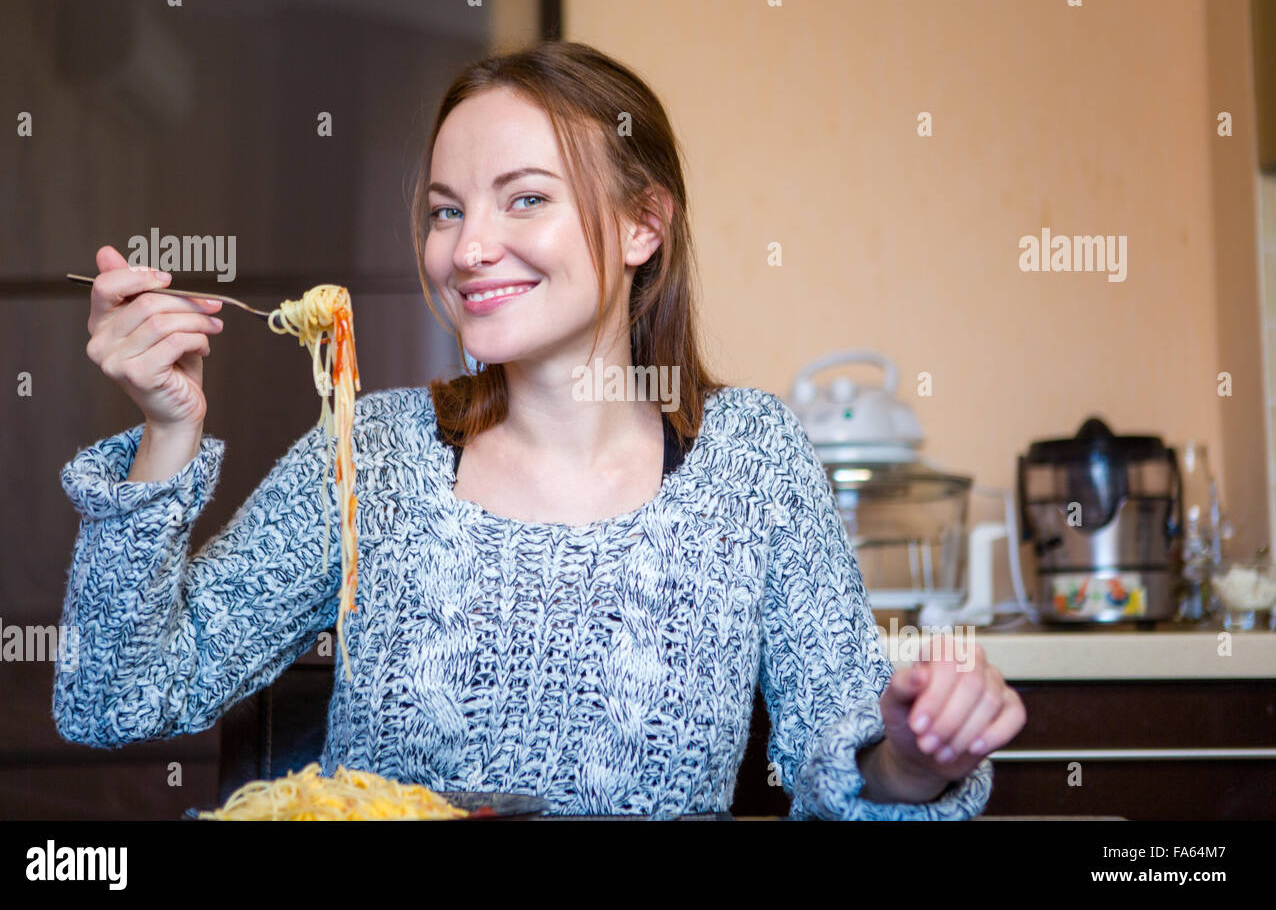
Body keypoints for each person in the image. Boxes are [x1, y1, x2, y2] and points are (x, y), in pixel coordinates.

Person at [54, 41, 1024, 819]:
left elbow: (839, 771)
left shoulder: (750, 456)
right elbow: (115, 702)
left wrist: (913, 749)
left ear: (643, 223)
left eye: (524, 197)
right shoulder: (370, 452)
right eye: (445, 209)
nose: (466, 248)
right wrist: (167, 432)